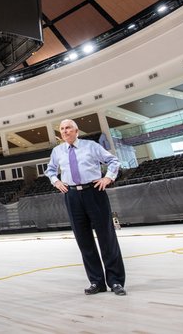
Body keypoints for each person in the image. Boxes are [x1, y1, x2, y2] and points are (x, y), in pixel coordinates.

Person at [45, 119, 127, 296]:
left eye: (68, 128)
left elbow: (113, 161)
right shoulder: (57, 151)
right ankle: (96, 282)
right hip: (72, 195)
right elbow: (50, 170)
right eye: (62, 129)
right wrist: (56, 181)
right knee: (84, 241)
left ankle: (115, 281)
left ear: (76, 131)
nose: (65, 131)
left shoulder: (91, 146)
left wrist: (108, 178)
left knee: (107, 237)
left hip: (94, 191)